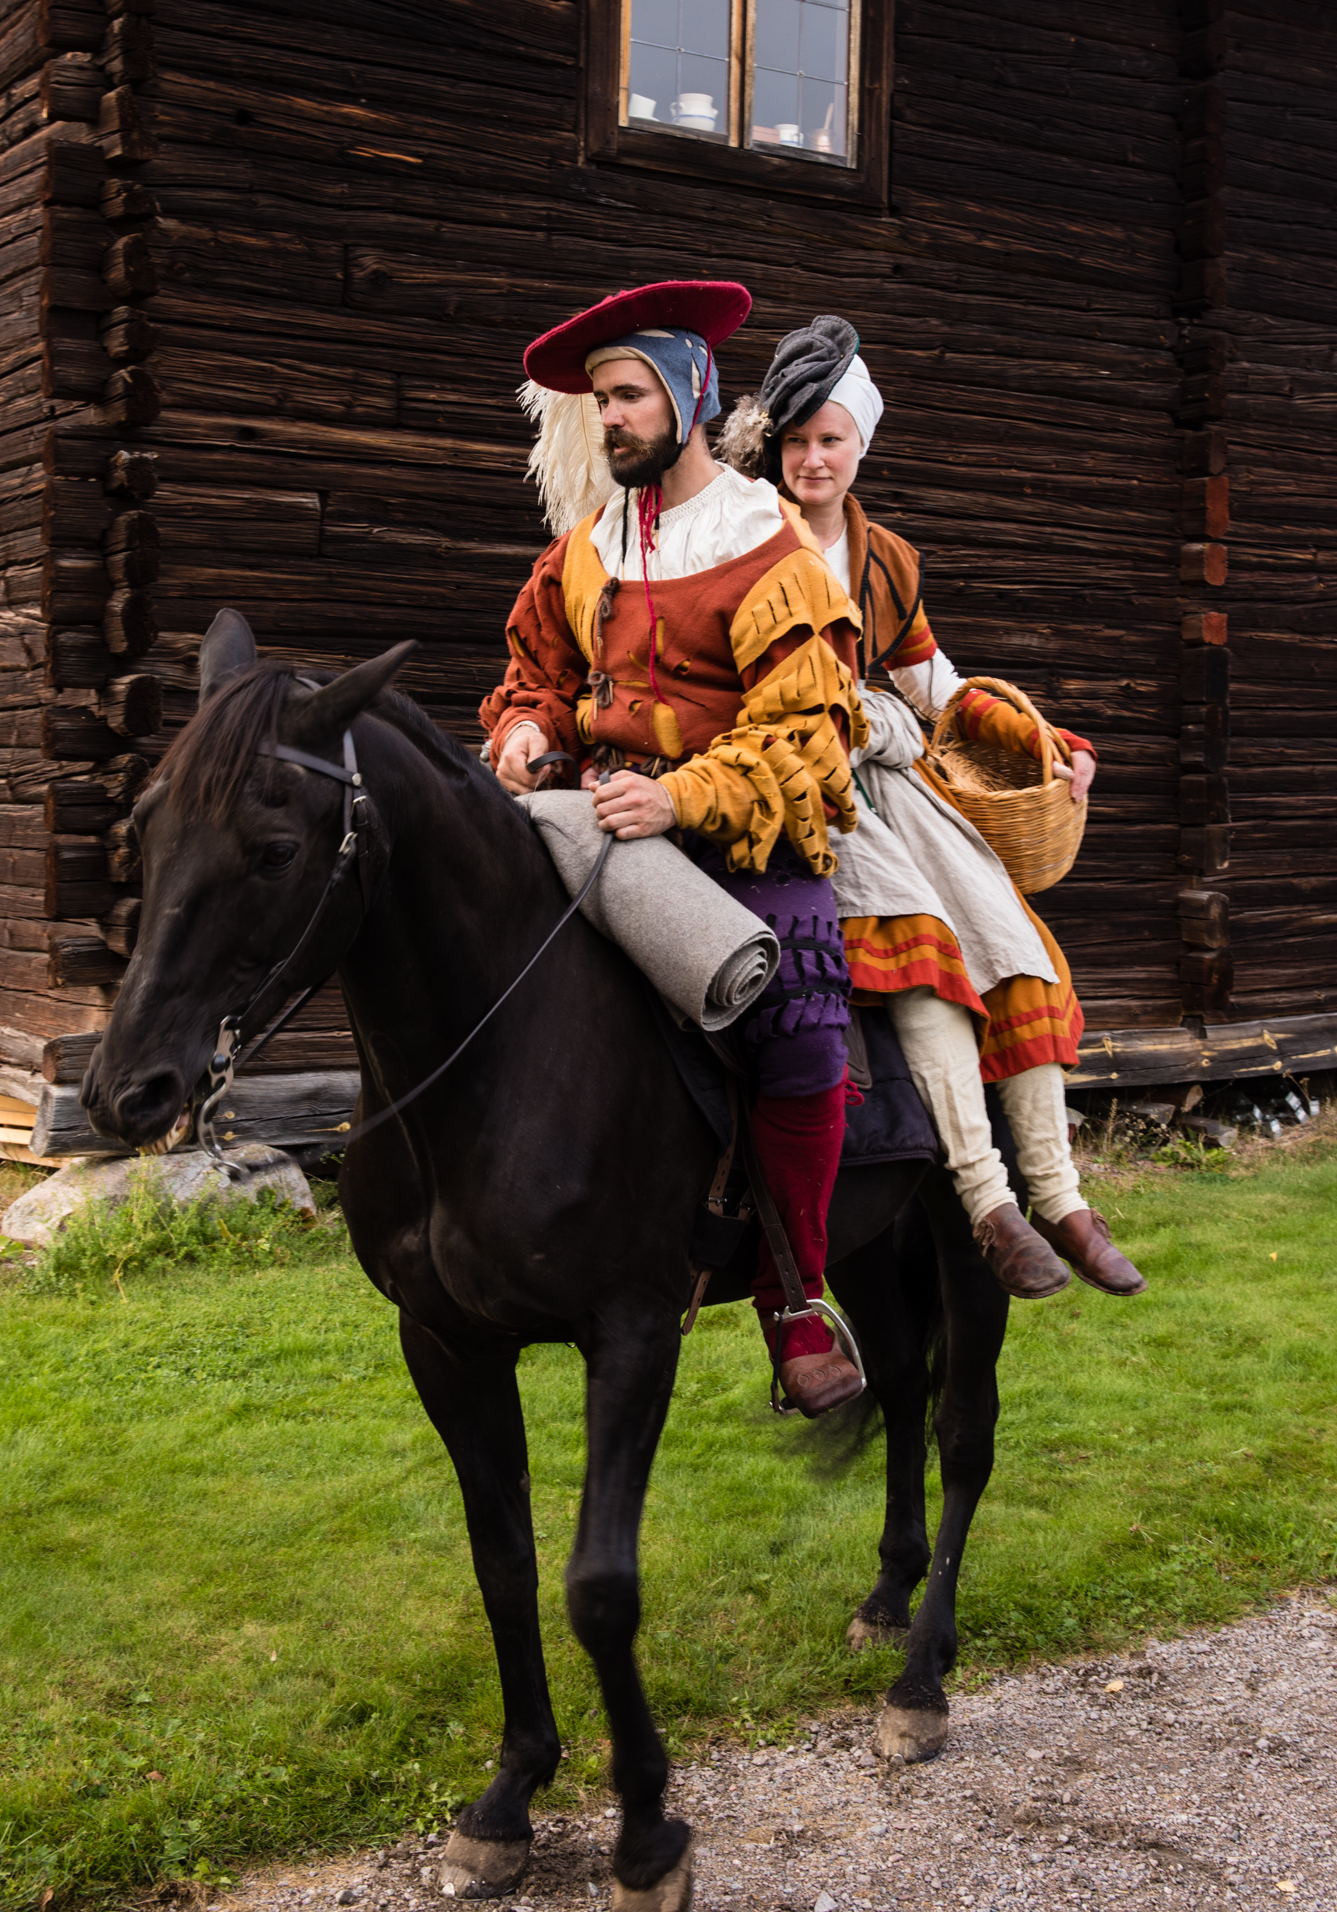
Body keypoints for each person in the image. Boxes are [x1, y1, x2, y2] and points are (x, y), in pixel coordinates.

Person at [480, 280, 872, 1416]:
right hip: (587, 822)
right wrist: (523, 732)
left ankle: (794, 1298)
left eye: (629, 396)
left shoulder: (772, 550)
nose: (610, 420)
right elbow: (540, 679)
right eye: (601, 401)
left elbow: (809, 736)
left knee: (800, 1016)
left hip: (741, 843)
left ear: (692, 394)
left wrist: (684, 796)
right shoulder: (584, 552)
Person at [718, 315, 1144, 1300]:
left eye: (830, 438)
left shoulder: (887, 557)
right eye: (796, 441)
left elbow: (934, 687)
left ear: (860, 444)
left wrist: (1051, 743)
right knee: (921, 951)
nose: (813, 457)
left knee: (1012, 941)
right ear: (777, 450)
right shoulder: (742, 538)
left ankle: (1062, 1194)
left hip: (896, 778)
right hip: (805, 784)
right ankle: (989, 1202)